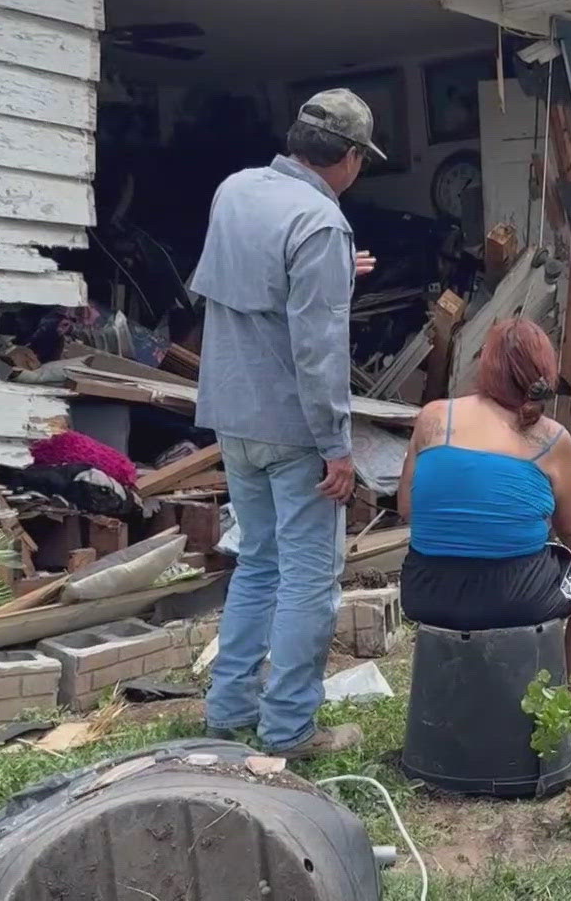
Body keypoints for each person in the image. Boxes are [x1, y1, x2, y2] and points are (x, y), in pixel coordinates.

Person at [190, 89, 383, 758]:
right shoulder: (322, 224)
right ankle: (289, 729)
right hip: (292, 426)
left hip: (231, 414)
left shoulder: (236, 190)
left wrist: (336, 275)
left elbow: (248, 282)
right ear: (351, 158)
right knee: (307, 577)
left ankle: (229, 709)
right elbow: (317, 349)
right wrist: (337, 446)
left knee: (258, 565)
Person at [396, 318, 571, 690]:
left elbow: (408, 508)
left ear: (486, 365)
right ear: (543, 374)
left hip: (425, 592)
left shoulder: (434, 417)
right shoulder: (551, 438)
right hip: (512, 597)